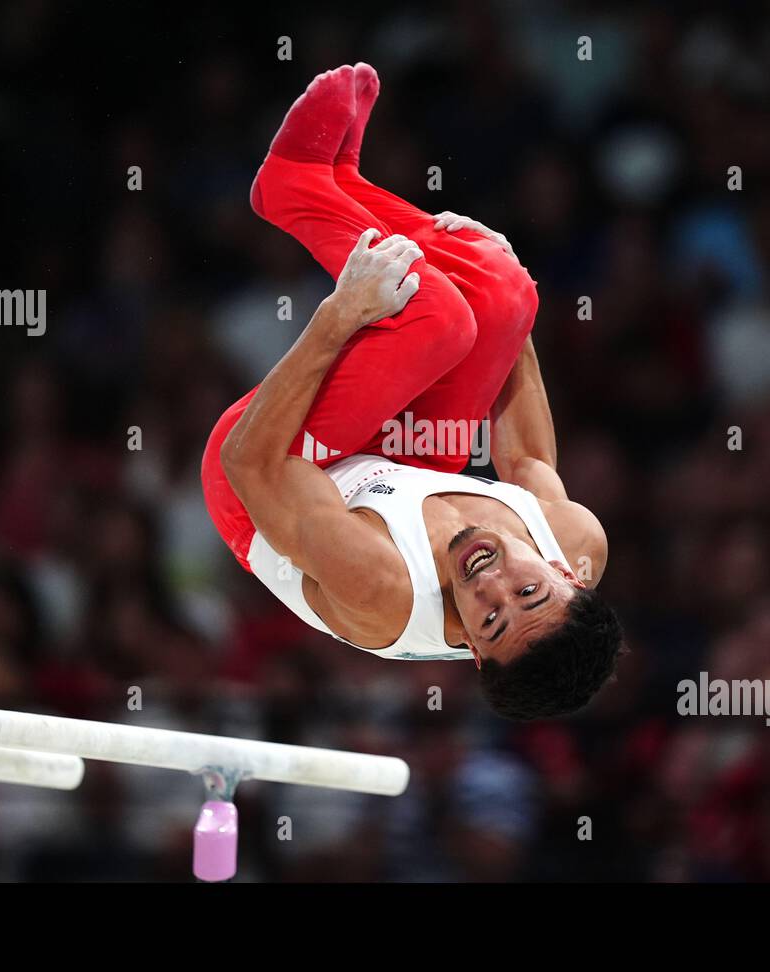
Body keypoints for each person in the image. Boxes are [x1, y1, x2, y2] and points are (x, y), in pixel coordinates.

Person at [201, 64, 622, 719]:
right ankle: (339, 183)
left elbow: (254, 463)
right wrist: (504, 279)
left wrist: (338, 317)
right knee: (504, 296)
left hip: (262, 469)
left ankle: (291, 188)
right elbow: (530, 462)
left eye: (490, 623)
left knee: (435, 319)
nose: (492, 589)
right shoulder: (579, 539)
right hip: (401, 460)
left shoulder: (381, 589)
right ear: (569, 575)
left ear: (475, 655)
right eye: (529, 595)